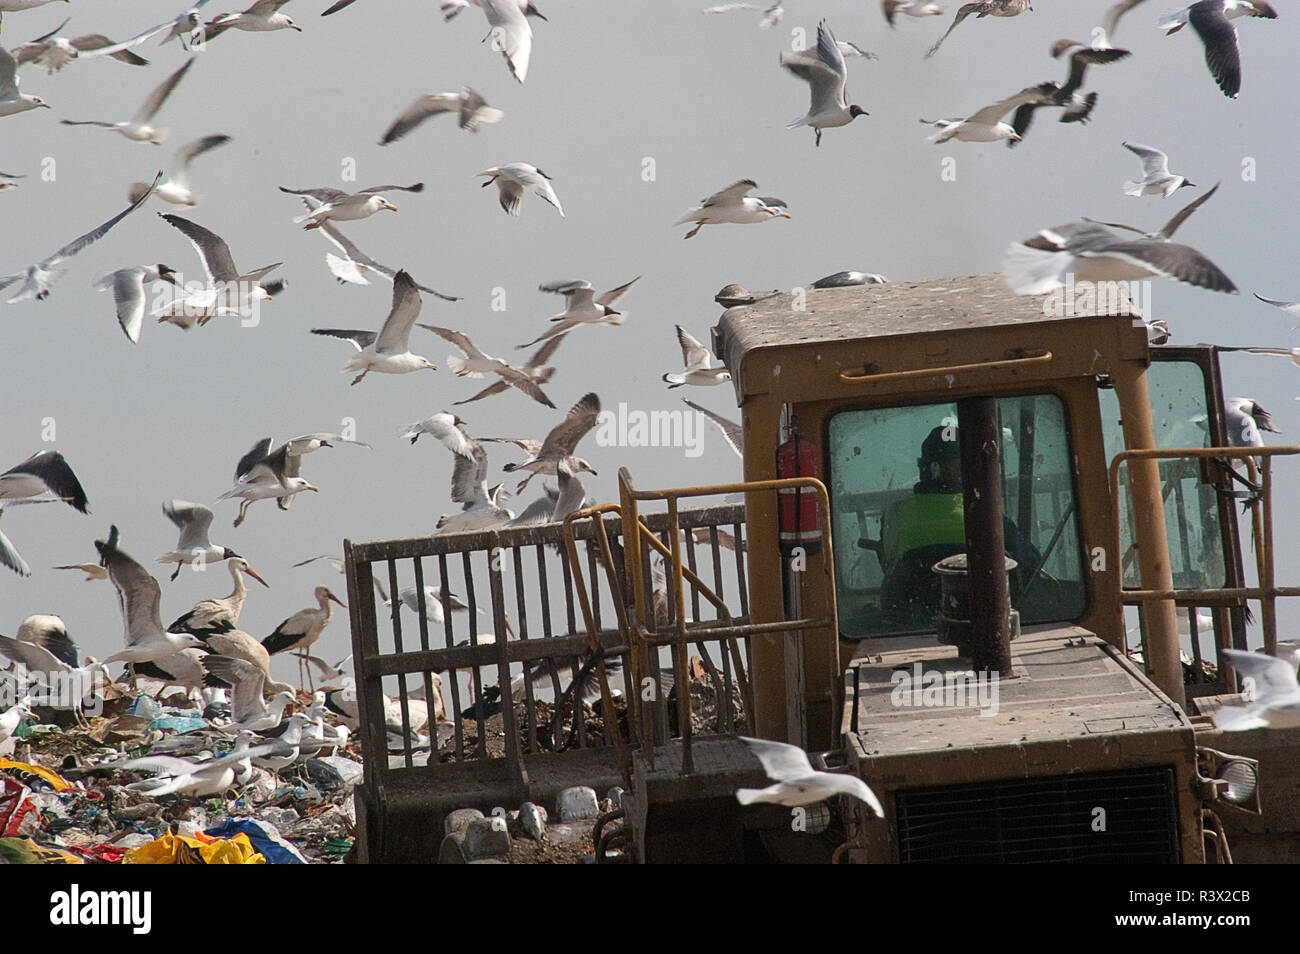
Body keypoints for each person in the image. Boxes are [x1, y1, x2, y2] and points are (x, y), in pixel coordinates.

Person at [877, 425, 1040, 628]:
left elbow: (888, 563)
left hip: (911, 625)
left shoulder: (895, 514)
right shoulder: (987, 512)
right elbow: (1031, 562)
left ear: (924, 468)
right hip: (988, 623)